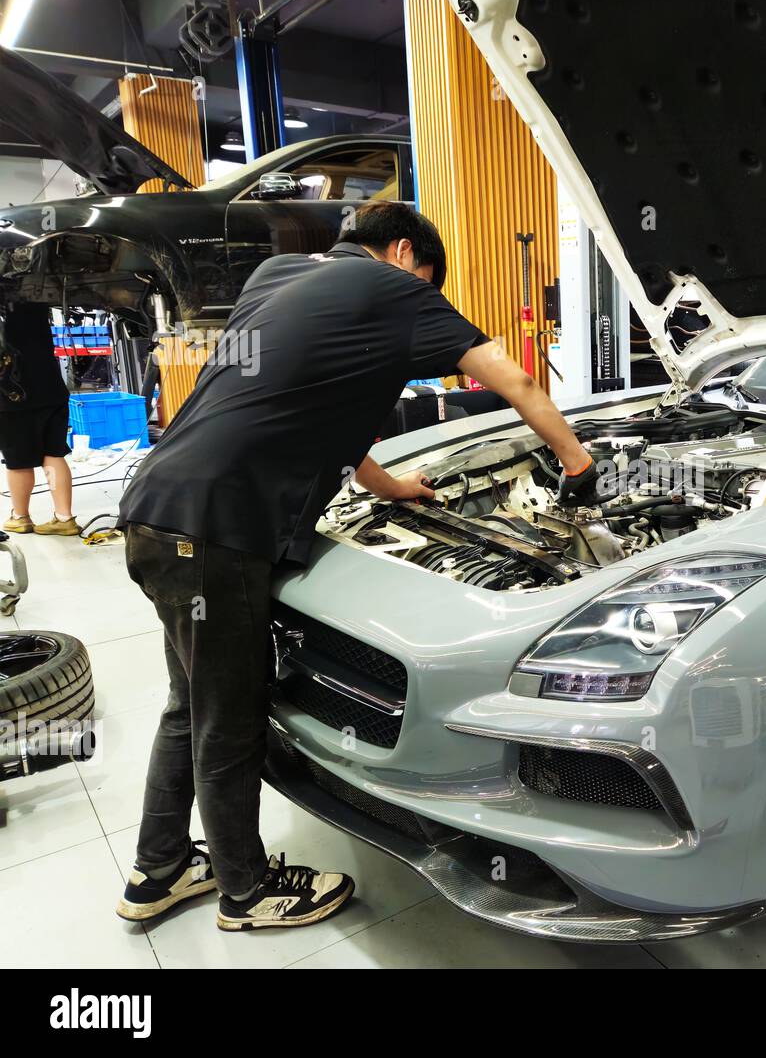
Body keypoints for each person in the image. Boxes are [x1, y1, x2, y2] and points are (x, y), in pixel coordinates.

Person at [114, 202, 601, 931]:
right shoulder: (398, 289)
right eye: (428, 277)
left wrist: (395, 488)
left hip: (158, 507)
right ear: (406, 252)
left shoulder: (276, 275)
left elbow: (298, 404)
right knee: (228, 719)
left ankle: (160, 871)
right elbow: (516, 381)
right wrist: (578, 461)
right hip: (217, 531)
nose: (426, 293)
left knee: (191, 704)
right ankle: (246, 894)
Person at [0, 302, 79, 537]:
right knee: (54, 453)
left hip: (11, 397)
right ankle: (64, 518)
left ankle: (21, 517)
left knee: (18, 460)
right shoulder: (35, 302)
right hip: (51, 391)